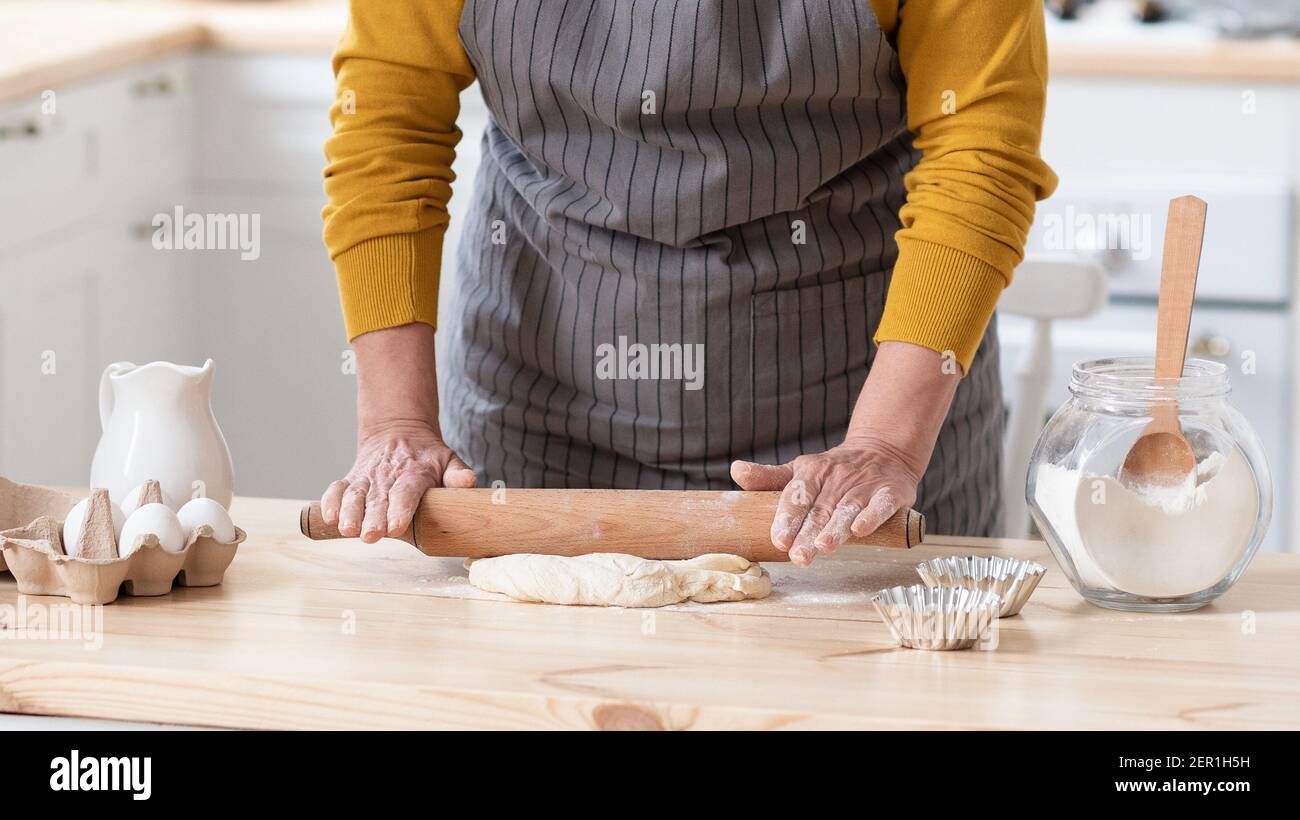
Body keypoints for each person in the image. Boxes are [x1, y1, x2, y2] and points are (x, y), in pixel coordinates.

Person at [319, 0, 1057, 565]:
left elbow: (980, 151)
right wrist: (397, 424)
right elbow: (388, 130)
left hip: (861, 415)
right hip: (539, 418)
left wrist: (885, 445)